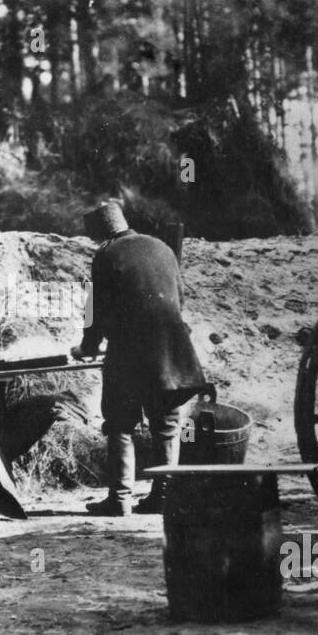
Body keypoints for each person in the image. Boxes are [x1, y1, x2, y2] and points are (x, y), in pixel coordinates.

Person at [73, 202, 208, 516]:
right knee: (167, 426)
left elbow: (96, 309)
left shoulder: (106, 255)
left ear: (101, 234)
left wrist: (88, 346)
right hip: (174, 352)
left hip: (129, 355)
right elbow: (180, 299)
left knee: (120, 424)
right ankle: (163, 497)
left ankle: (119, 499)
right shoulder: (162, 248)